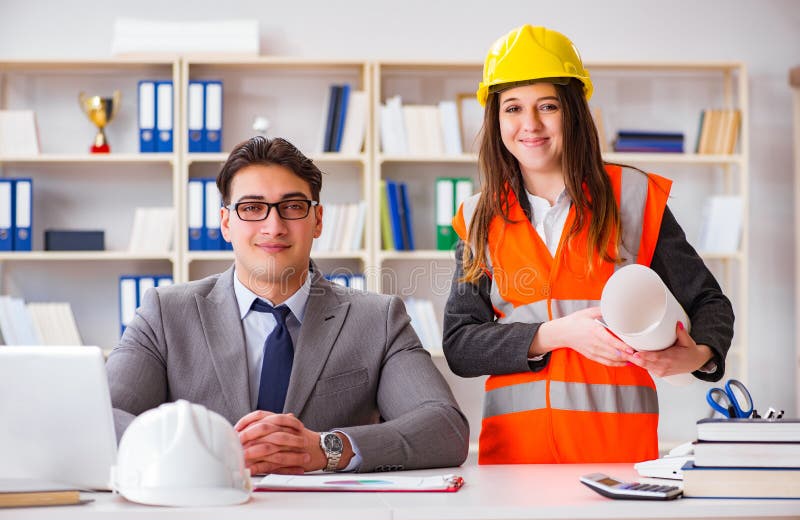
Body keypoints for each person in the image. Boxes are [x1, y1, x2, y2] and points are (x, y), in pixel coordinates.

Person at [442, 25, 734, 464]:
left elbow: (709, 302)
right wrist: (554, 335)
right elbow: (460, 345)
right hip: (514, 464)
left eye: (547, 106)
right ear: (496, 119)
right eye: (513, 108)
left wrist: (698, 355)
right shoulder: (478, 217)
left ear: (573, 112)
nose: (530, 124)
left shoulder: (632, 198)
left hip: (617, 461)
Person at [107, 136, 469, 474]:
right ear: (226, 223)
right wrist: (207, 451)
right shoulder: (165, 314)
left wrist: (327, 448)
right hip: (203, 509)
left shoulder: (378, 319)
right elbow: (104, 417)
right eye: (252, 208)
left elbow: (445, 427)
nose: (274, 226)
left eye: (292, 207)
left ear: (318, 220)